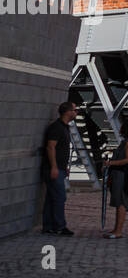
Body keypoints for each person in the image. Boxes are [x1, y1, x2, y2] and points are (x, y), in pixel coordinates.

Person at [41, 100, 77, 236]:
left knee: (52, 197)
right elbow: (51, 147)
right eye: (74, 110)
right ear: (68, 112)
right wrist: (54, 167)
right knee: (60, 197)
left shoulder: (64, 127)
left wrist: (64, 167)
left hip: (59, 168)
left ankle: (48, 226)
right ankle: (60, 227)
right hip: (53, 169)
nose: (76, 112)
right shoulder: (57, 127)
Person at [103, 117, 128, 239]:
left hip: (123, 175)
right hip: (118, 173)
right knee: (118, 201)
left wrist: (111, 163)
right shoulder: (125, 142)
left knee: (122, 202)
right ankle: (115, 228)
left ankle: (118, 231)